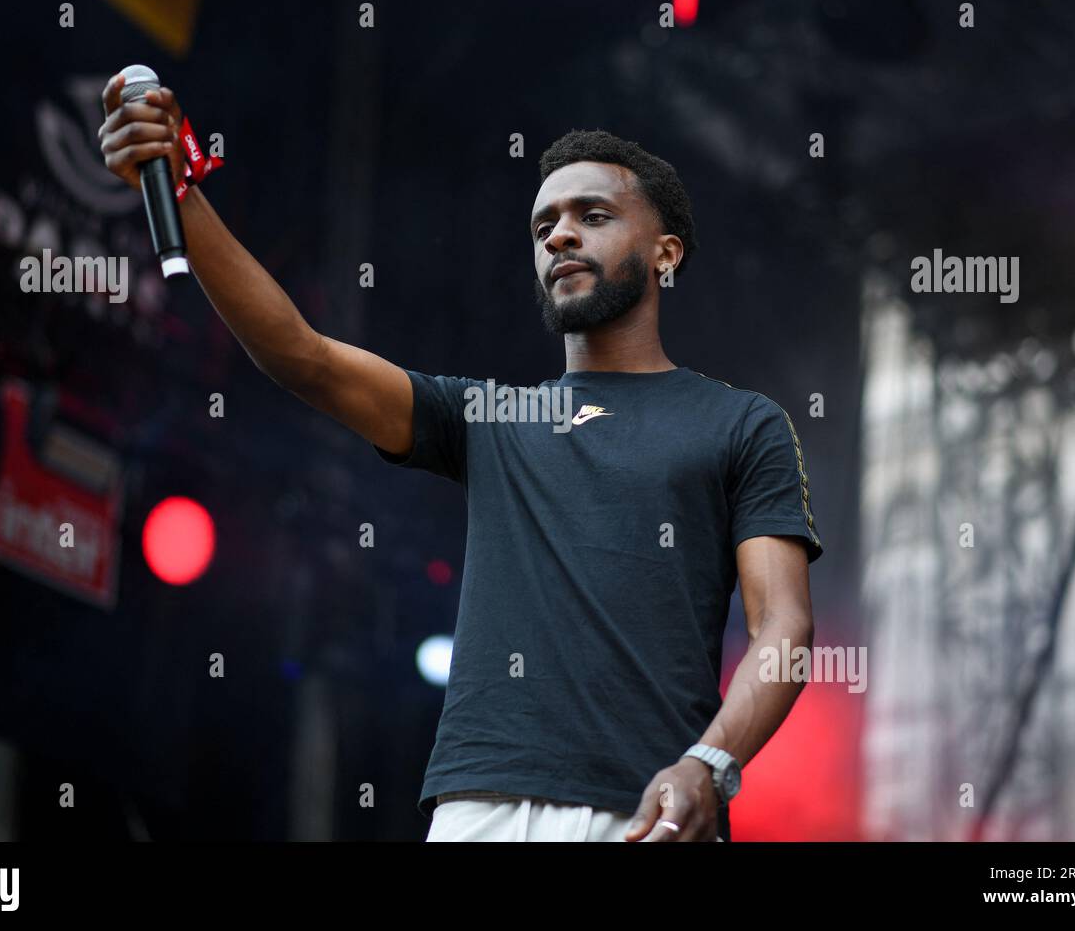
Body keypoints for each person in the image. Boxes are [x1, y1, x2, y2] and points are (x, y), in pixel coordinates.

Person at [97, 74, 822, 842]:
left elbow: (784, 627)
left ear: (665, 253)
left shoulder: (743, 423)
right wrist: (180, 193)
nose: (560, 236)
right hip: (477, 811)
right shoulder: (494, 417)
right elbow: (302, 356)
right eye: (543, 226)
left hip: (649, 808)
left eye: (593, 216)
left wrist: (709, 763)